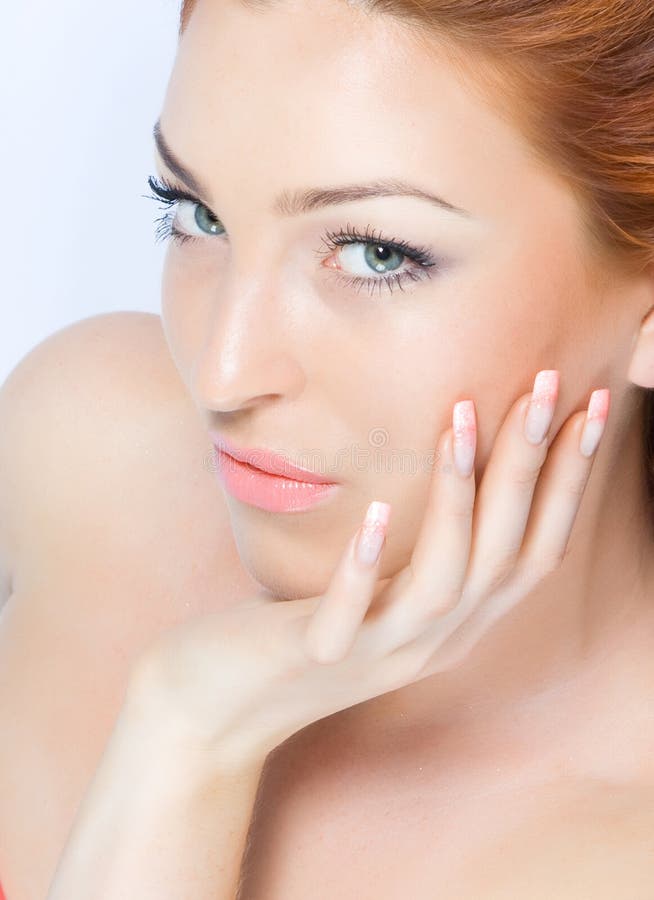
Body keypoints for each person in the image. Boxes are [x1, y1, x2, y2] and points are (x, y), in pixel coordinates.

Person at [1, 0, 654, 896]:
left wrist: (196, 741)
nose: (223, 375)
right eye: (195, 214)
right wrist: (187, 719)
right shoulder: (100, 452)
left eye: (377, 254)